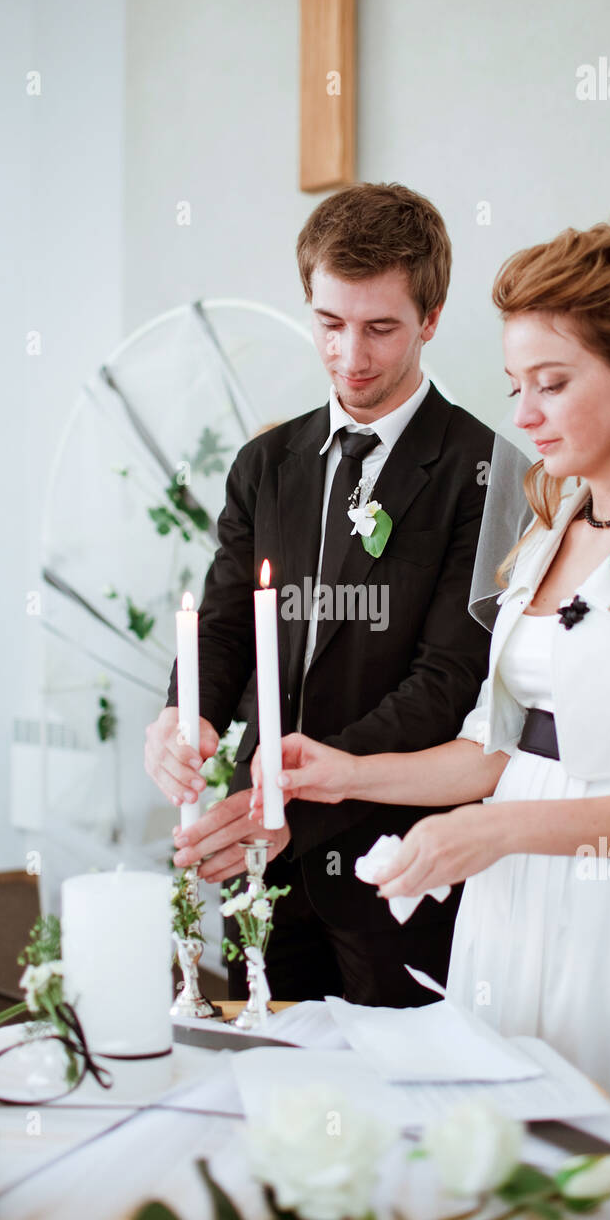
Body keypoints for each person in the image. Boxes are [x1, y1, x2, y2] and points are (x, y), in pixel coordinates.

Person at [249, 214, 610, 1220]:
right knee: (493, 1193)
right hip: (512, 911)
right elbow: (499, 753)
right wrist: (345, 771)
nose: (523, 413)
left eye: (551, 381)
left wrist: (487, 833)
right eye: (512, 383)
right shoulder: (550, 525)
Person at [145, 181, 499, 1005]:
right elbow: (229, 626)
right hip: (259, 863)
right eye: (330, 324)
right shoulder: (265, 466)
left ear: (432, 318)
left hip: (395, 866)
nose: (351, 356)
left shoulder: (484, 473)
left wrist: (292, 808)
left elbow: (445, 685)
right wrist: (184, 714)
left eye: (381, 328)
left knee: (400, 1102)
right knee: (265, 1085)